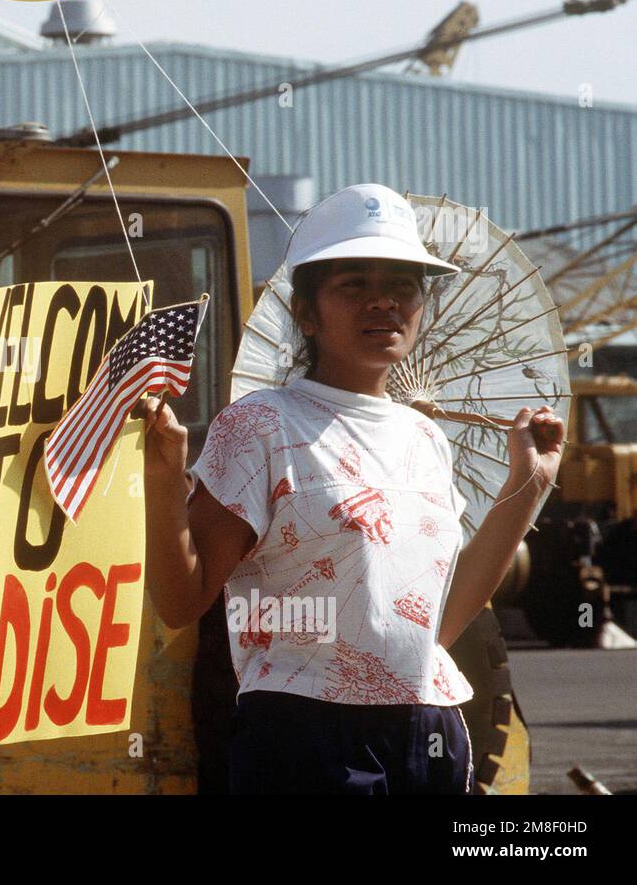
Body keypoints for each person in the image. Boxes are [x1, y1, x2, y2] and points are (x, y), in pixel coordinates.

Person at [141, 183, 564, 794]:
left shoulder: (426, 439)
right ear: (306, 314)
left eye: (402, 285)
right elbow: (183, 601)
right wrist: (162, 480)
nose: (383, 303)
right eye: (354, 285)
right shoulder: (262, 424)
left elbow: (435, 626)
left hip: (431, 727)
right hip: (307, 733)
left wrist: (528, 485)